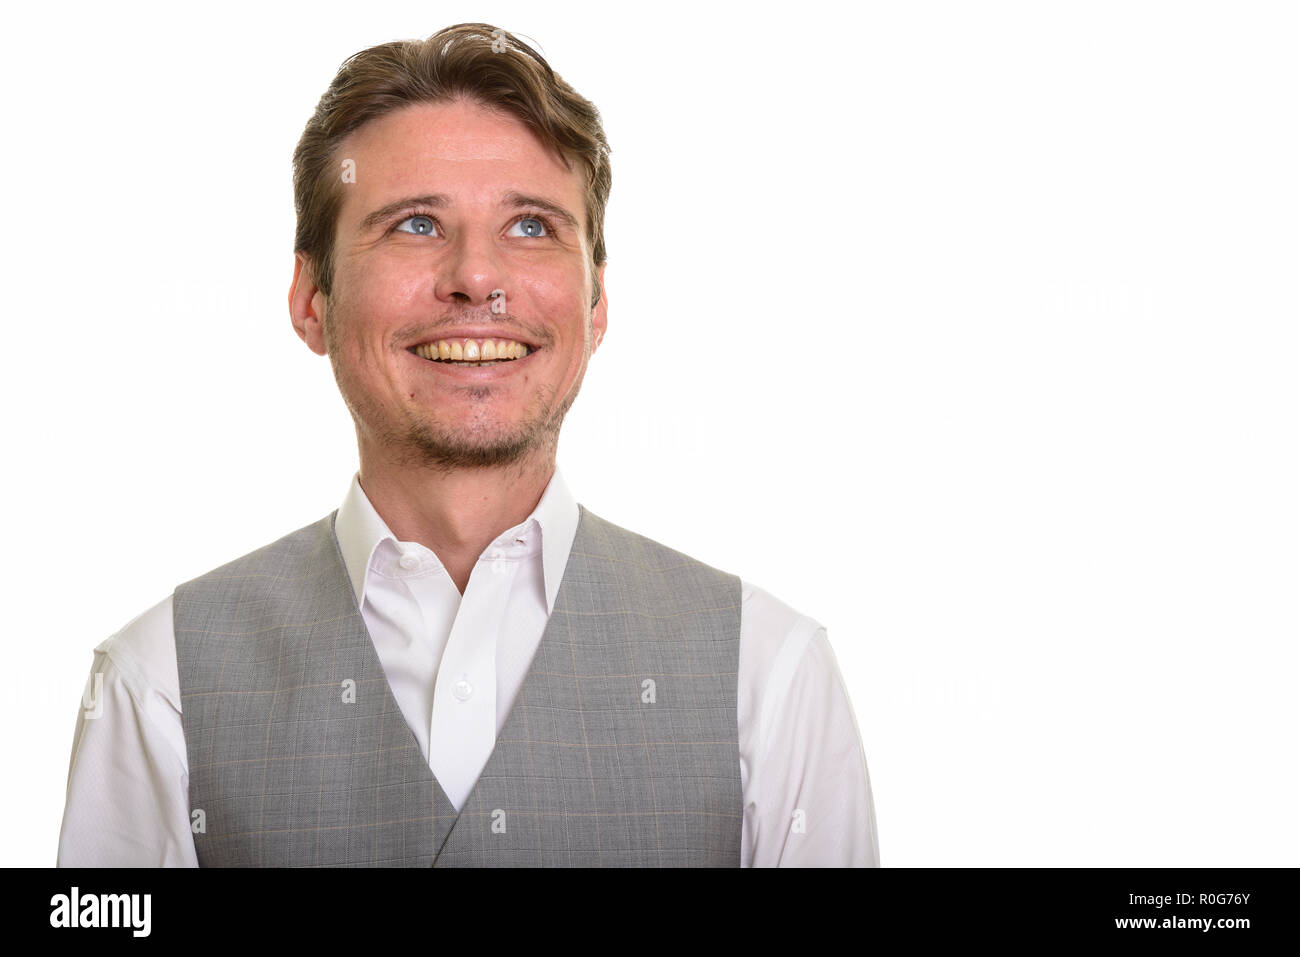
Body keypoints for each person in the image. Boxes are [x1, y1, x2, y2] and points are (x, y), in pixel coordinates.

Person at [57, 22, 879, 867]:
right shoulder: (160, 684)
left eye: (530, 227)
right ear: (310, 299)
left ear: (596, 306)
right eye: (415, 224)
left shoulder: (769, 677)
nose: (476, 277)